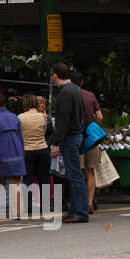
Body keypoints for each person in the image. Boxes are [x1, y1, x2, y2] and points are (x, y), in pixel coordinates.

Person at [51, 64, 89, 224]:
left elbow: (63, 120)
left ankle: (80, 212)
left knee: (75, 175)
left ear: (55, 75)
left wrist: (55, 142)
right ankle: (74, 210)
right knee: (74, 175)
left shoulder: (65, 93)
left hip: (70, 137)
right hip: (76, 134)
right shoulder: (74, 89)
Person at [70, 69, 104, 213]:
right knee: (90, 172)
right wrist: (94, 128)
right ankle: (90, 203)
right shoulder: (90, 95)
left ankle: (79, 203)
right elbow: (100, 116)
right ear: (82, 82)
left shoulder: (69, 95)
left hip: (75, 137)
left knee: (76, 172)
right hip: (90, 138)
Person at [19, 93, 51, 218]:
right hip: (42, 149)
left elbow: (19, 134)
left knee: (28, 179)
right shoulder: (43, 117)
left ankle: (27, 207)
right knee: (43, 179)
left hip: (27, 150)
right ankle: (45, 206)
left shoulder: (20, 117)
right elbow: (44, 132)